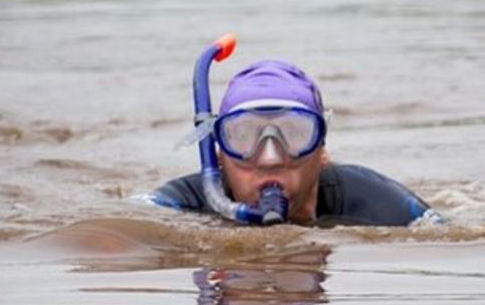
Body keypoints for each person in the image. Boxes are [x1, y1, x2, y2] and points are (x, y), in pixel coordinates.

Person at [151, 59, 441, 227]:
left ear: (322, 150)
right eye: (242, 136)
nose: (269, 158)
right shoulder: (183, 201)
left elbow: (442, 235)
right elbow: (114, 231)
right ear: (219, 154)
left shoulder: (375, 201)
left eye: (294, 133)